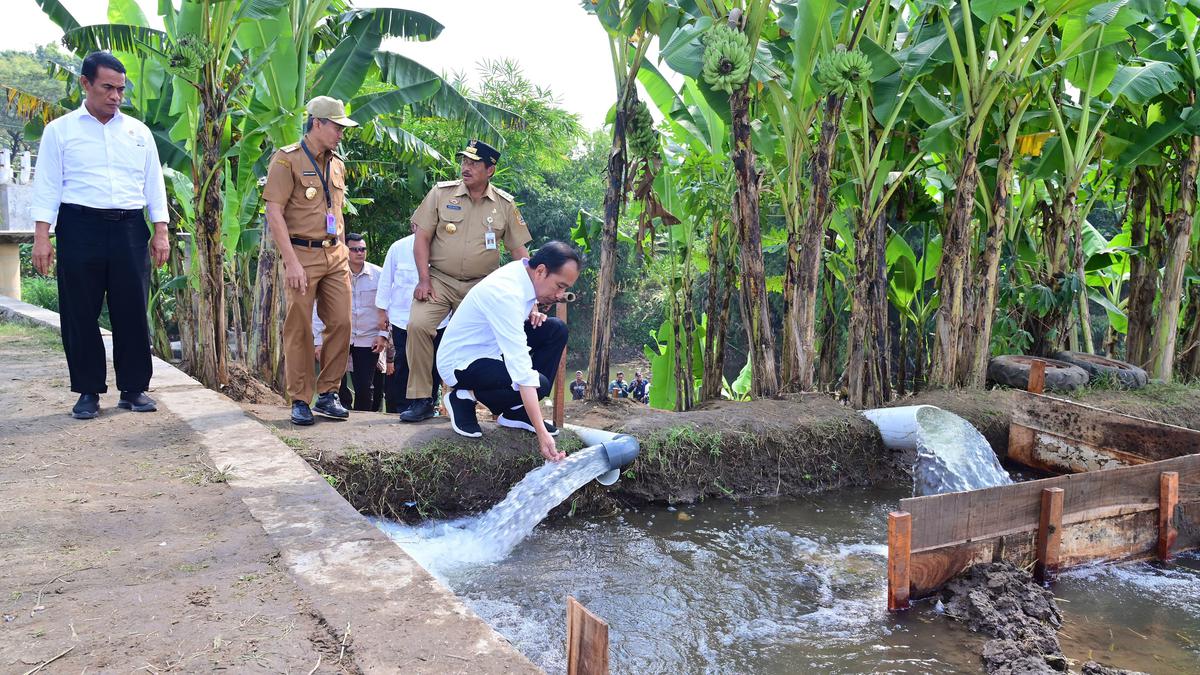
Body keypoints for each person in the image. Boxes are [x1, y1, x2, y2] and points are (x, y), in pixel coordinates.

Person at [30, 52, 169, 419]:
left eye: (120, 89)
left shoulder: (138, 132)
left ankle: (134, 388)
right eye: (107, 87)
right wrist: (42, 237)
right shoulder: (60, 131)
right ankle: (88, 391)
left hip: (129, 228)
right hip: (79, 226)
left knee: (132, 310)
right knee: (80, 312)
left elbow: (154, 184)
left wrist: (161, 231)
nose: (115, 96)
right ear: (85, 83)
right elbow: (46, 186)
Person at [399, 139, 532, 423]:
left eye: (473, 163)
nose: (465, 167)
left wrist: (529, 298)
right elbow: (421, 238)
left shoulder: (505, 206)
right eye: (464, 161)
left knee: (482, 343)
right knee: (418, 325)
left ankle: (470, 400)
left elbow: (521, 255)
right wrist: (424, 280)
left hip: (481, 288)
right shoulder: (441, 193)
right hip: (439, 280)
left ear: (490, 170)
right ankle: (421, 398)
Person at [438, 241, 580, 461]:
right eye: (559, 286)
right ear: (541, 271)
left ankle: (517, 411)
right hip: (462, 361)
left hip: (492, 347)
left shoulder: (524, 272)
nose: (560, 295)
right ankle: (463, 396)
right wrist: (542, 434)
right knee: (536, 383)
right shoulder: (505, 294)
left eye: (565, 289)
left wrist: (533, 310)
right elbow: (522, 371)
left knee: (555, 329)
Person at [263, 96, 358, 426]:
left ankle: (329, 393)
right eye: (336, 127)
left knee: (342, 323)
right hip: (300, 254)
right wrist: (291, 262)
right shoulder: (286, 160)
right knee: (300, 327)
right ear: (317, 123)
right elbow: (273, 212)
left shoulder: (337, 163)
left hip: (334, 254)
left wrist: (343, 250)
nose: (340, 133)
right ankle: (301, 399)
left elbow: (338, 213)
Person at [375, 224, 449, 414]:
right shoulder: (398, 248)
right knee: (403, 365)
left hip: (438, 320)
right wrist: (382, 313)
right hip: (403, 319)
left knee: (432, 365)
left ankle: (428, 405)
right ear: (413, 226)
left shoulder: (445, 248)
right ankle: (403, 407)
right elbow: (386, 281)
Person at [312, 233, 388, 411]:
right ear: (345, 251)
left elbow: (387, 308)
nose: (360, 253)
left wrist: (383, 335)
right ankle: (341, 413)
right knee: (336, 384)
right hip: (339, 337)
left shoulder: (379, 275)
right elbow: (318, 310)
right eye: (355, 249)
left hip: (368, 338)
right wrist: (318, 342)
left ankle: (364, 423)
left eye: (362, 249)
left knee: (364, 387)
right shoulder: (332, 275)